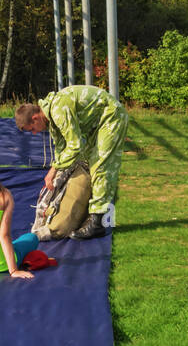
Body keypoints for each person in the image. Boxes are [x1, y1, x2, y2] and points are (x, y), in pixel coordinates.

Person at [15, 84, 128, 240]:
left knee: (100, 166)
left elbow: (75, 146)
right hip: (96, 124)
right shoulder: (51, 118)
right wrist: (58, 176)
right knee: (88, 163)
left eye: (32, 129)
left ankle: (98, 224)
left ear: (35, 118)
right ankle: (96, 212)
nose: (35, 133)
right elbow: (62, 148)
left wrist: (53, 170)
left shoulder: (58, 109)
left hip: (111, 117)